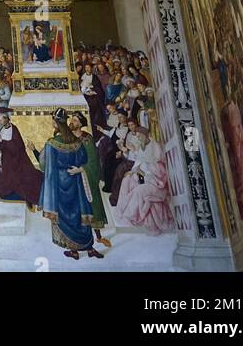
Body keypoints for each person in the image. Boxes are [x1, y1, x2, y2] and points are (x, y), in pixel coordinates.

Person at [38, 109, 102, 260]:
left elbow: (44, 165)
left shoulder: (51, 143)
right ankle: (89, 247)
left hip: (59, 183)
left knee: (65, 214)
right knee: (79, 211)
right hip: (75, 181)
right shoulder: (77, 142)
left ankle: (73, 250)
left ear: (56, 124)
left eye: (53, 122)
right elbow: (83, 158)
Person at [112, 127, 174, 234]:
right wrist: (133, 172)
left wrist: (142, 173)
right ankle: (121, 211)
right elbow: (138, 162)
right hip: (143, 176)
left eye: (140, 136)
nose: (139, 139)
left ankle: (130, 216)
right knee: (126, 181)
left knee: (138, 191)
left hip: (156, 182)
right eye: (138, 137)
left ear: (146, 135)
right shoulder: (142, 147)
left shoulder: (155, 147)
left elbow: (158, 170)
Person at [69, 111, 111, 249]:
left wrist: (80, 169)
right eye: (72, 120)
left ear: (80, 124)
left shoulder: (87, 139)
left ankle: (98, 237)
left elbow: (93, 161)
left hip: (85, 176)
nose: (72, 122)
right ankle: (77, 241)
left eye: (75, 120)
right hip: (71, 176)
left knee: (91, 206)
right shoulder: (67, 138)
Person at [0, 111, 43, 209]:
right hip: (7, 159)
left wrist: (2, 141)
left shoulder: (14, 129)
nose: (0, 120)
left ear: (7, 119)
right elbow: (2, 146)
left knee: (22, 181)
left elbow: (17, 146)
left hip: (16, 160)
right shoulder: (2, 129)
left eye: (2, 118)